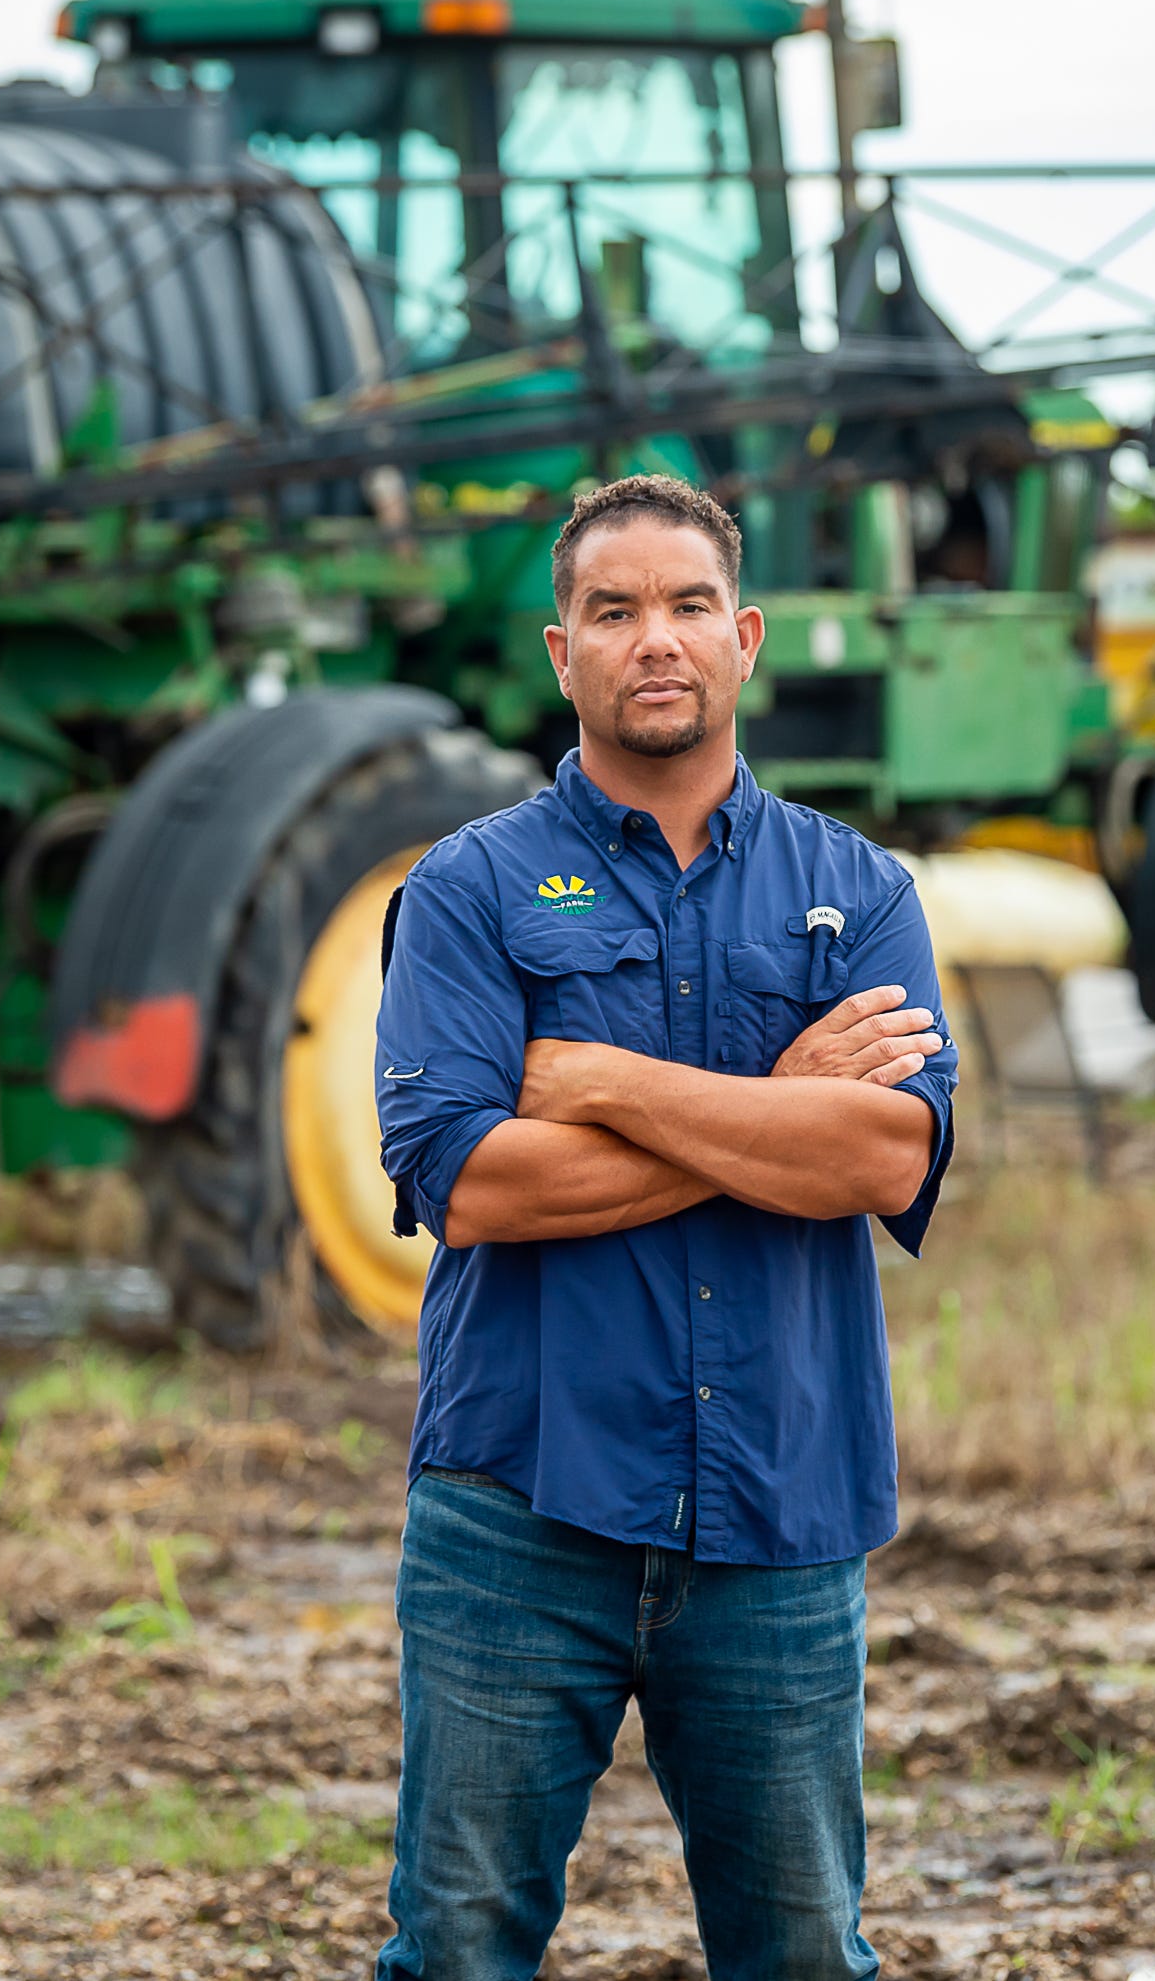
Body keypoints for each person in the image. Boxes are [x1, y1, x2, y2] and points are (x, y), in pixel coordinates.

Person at [372, 473, 960, 1977]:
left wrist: (619, 1085)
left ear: (746, 636)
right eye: (614, 609)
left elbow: (887, 1153)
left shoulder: (858, 893)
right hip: (519, 1508)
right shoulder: (469, 892)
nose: (657, 638)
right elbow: (476, 1183)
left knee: (804, 1958)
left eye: (689, 605)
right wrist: (775, 1115)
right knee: (457, 1953)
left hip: (778, 1513)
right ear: (558, 649)